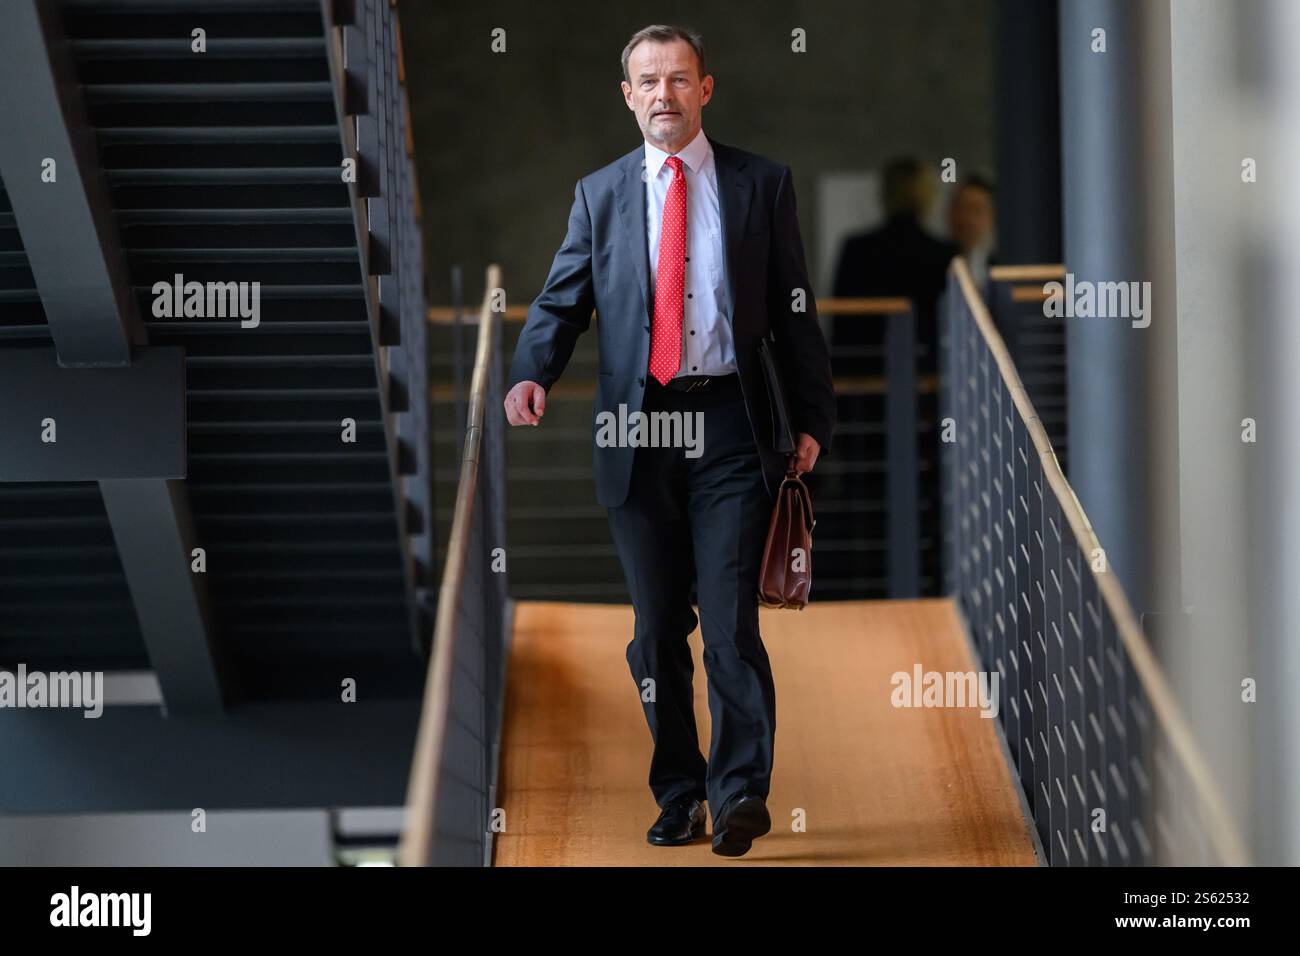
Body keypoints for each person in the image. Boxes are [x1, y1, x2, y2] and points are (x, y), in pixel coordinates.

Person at [503, 23, 835, 857]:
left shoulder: (762, 184)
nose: (664, 95)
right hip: (636, 426)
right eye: (648, 81)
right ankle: (680, 792)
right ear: (628, 95)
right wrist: (530, 370)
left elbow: (795, 309)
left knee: (727, 622)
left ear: (705, 89)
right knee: (656, 631)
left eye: (679, 80)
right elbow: (560, 300)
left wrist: (810, 420)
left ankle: (739, 794)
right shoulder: (600, 195)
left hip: (730, 423)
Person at [946, 174, 997, 295]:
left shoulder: (1003, 267)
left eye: (976, 210)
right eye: (960, 208)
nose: (966, 218)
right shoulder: (933, 263)